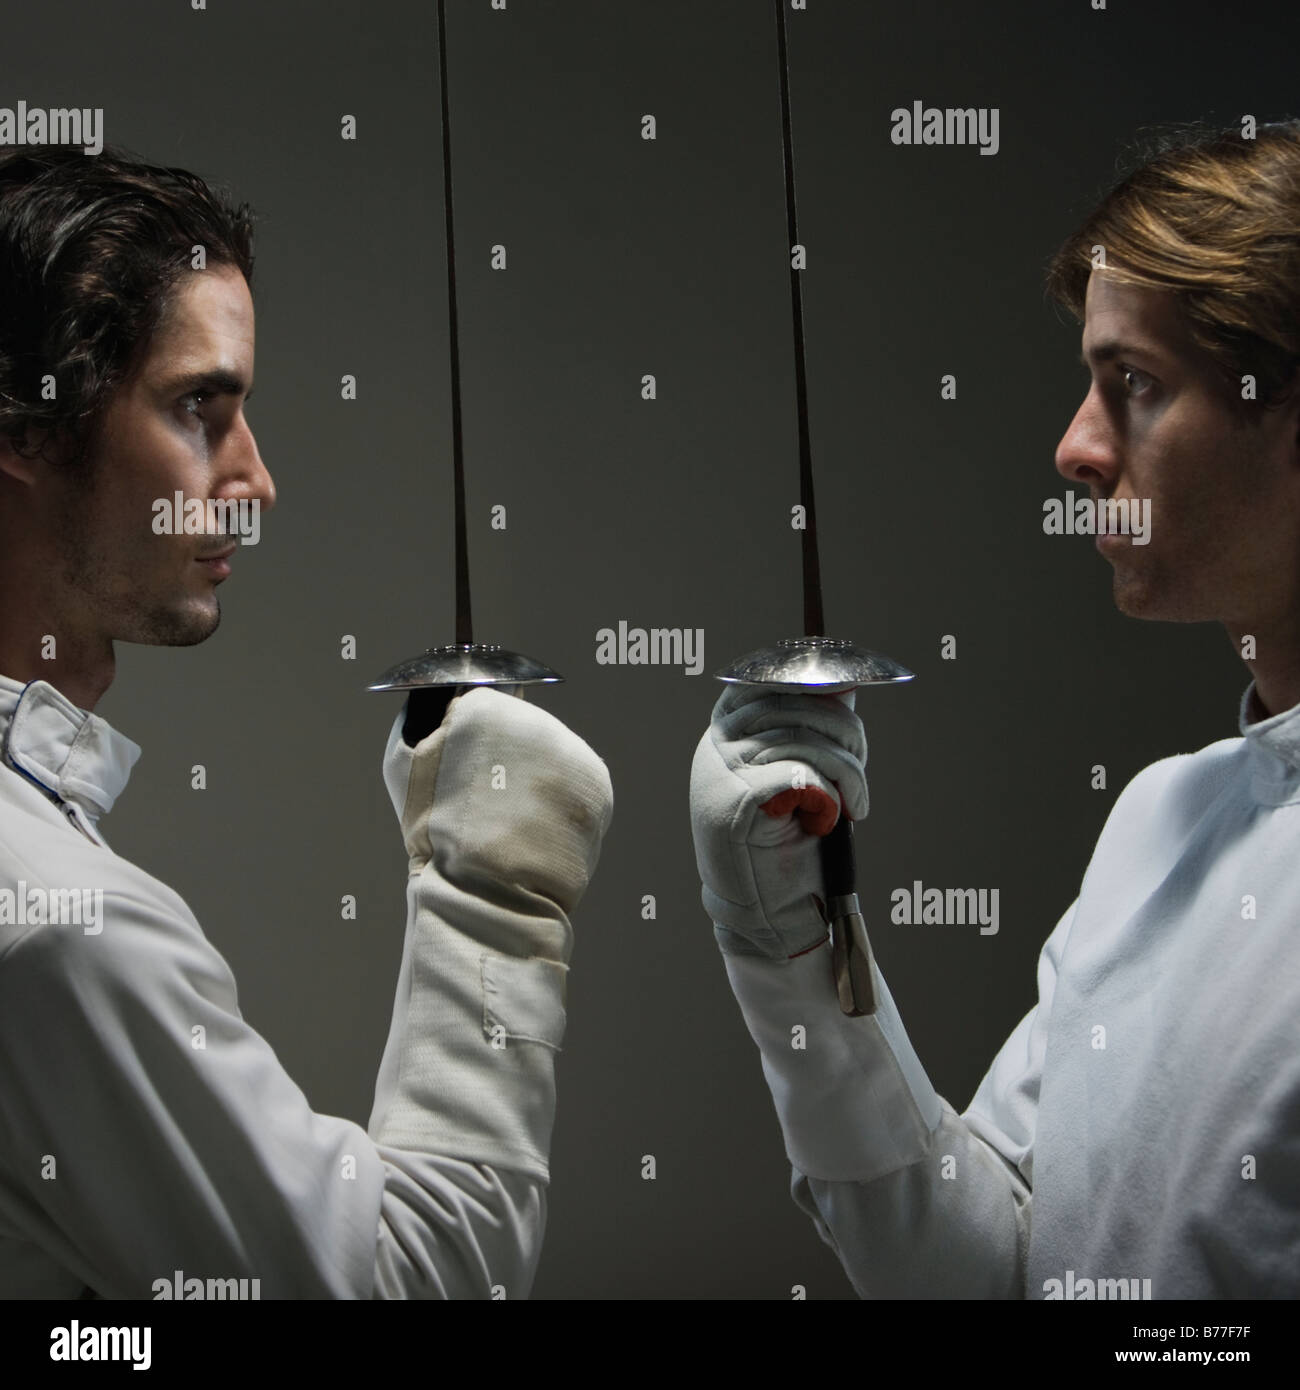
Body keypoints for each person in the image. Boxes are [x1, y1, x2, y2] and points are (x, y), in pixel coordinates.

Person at [690, 119, 1300, 1299]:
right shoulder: (1160, 822)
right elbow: (987, 1267)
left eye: (1135, 385)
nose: (1074, 447)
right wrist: (792, 948)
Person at [0, 145, 613, 1299]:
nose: (257, 480)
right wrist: (496, 886)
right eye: (200, 408)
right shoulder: (54, 934)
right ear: (28, 429)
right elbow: (408, 1285)